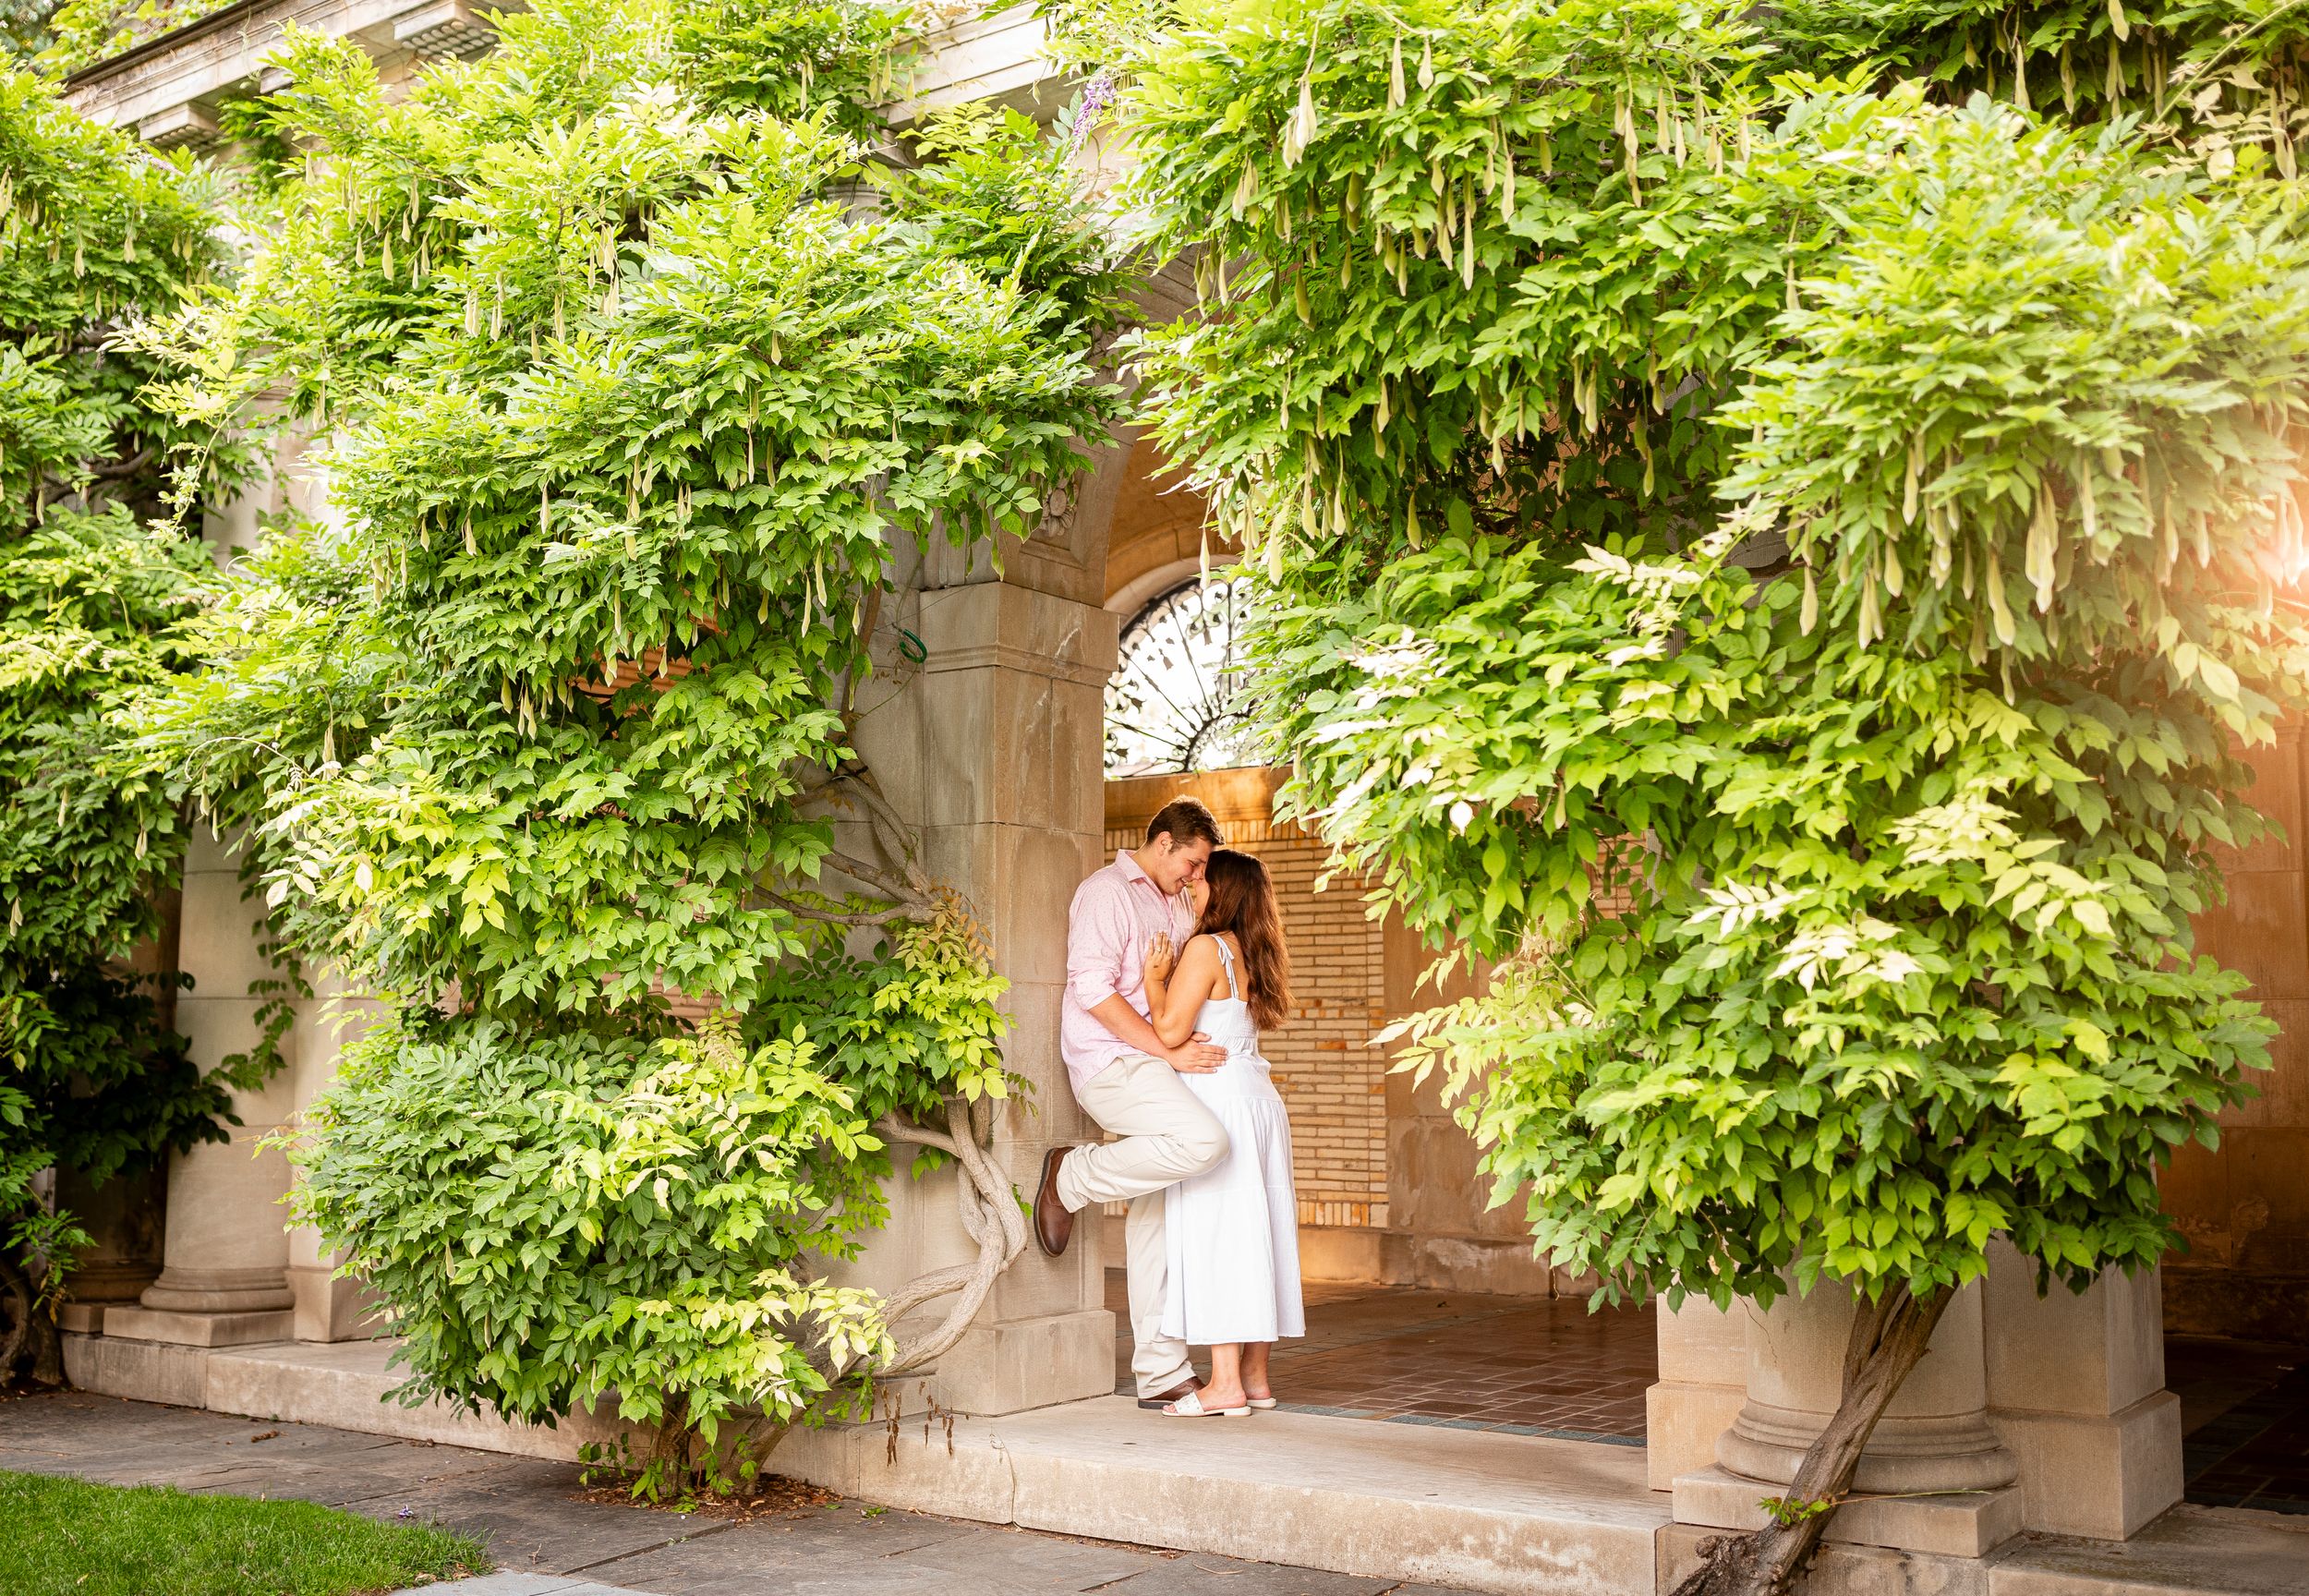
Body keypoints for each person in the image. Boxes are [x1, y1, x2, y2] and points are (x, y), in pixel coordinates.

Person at [1033, 797, 1231, 1411]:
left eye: (1204, 867)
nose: (1197, 875)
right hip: (1110, 1063)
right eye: (1193, 862)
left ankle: (1159, 1368)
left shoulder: (1175, 901)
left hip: (1153, 1063)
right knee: (1205, 1143)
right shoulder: (1105, 893)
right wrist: (1167, 1052)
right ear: (1164, 842)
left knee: (1156, 1218)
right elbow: (1091, 992)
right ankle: (1074, 1174)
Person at [1138, 848, 1303, 1417]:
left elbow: (1169, 1028)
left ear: (1226, 891)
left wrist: (1154, 980)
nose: (1193, 883)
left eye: (1204, 877)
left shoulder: (1206, 949)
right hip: (1259, 1102)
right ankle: (1255, 1379)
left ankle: (1224, 1385)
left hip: (1222, 1105)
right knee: (1258, 1233)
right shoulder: (1255, 951)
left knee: (1219, 1237)